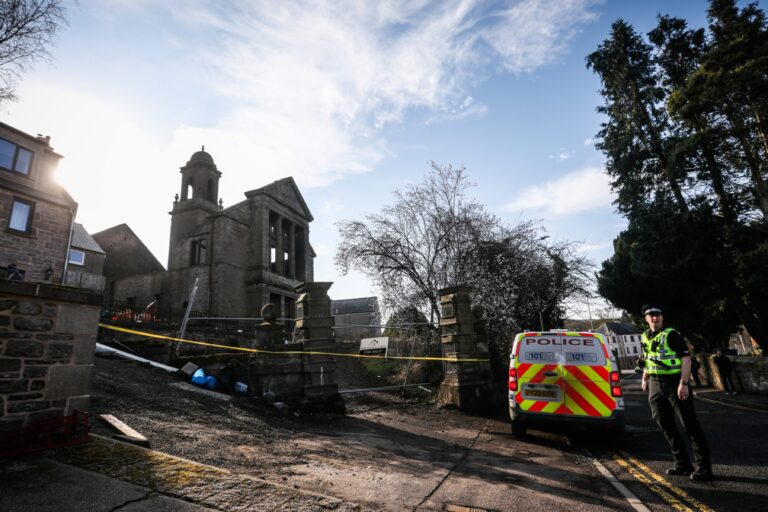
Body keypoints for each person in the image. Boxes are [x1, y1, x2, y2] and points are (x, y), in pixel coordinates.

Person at [640, 305, 713, 481]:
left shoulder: (671, 334)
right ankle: (682, 464)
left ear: (662, 318)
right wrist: (645, 378)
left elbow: (686, 359)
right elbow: (647, 358)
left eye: (657, 315)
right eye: (651, 316)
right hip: (655, 383)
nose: (654, 319)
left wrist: (684, 383)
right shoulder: (644, 336)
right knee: (664, 423)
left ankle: (704, 468)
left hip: (675, 383)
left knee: (689, 424)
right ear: (646, 319)